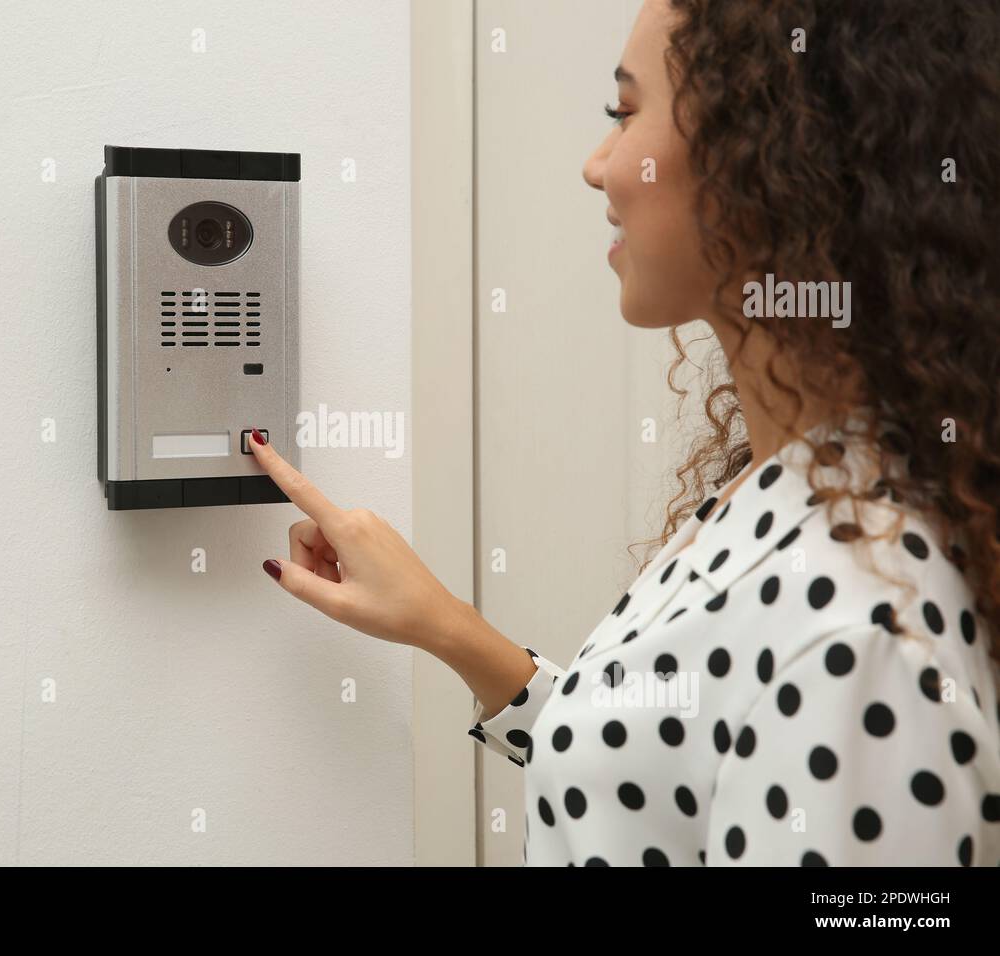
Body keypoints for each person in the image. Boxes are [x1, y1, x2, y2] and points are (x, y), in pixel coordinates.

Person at [251, 0, 1000, 866]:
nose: (596, 164)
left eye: (626, 111)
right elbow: (649, 788)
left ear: (777, 153)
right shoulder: (788, 494)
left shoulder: (864, 641)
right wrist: (444, 626)